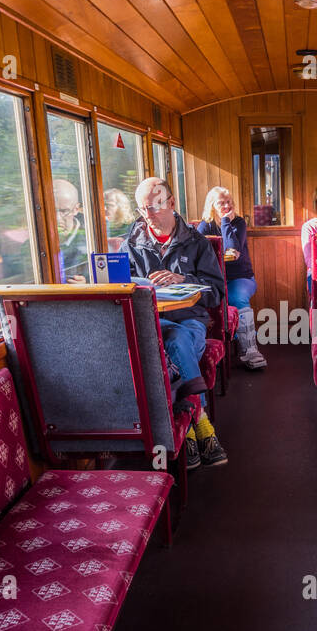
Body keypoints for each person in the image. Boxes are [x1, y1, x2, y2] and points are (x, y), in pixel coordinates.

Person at [123, 177, 229, 469]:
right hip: (149, 322)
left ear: (171, 203)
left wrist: (184, 280)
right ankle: (199, 421)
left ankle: (186, 433)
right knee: (172, 339)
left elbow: (216, 292)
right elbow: (120, 287)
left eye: (154, 207)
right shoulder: (131, 243)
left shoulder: (196, 243)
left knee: (177, 339)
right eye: (143, 210)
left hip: (189, 319)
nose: (148, 216)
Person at [199, 186, 266, 370]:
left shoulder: (238, 223)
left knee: (236, 297)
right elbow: (196, 253)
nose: (226, 205)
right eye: (221, 203)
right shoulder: (205, 226)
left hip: (241, 277)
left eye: (229, 202)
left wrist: (225, 222)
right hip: (215, 279)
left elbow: (233, 250)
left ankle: (250, 350)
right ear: (212, 205)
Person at [53, 178, 89, 283]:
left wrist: (88, 285)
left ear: (76, 209)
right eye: (52, 211)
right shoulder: (33, 245)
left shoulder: (92, 241)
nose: (57, 218)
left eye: (64, 211)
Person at [103, 188, 135, 252]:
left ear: (121, 206)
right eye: (102, 205)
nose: (104, 208)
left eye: (109, 205)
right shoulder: (101, 225)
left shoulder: (132, 227)